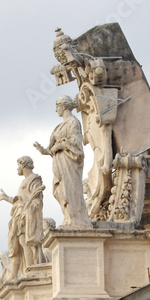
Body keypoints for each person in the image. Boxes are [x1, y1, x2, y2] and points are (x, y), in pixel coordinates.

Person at [34, 96, 91, 228]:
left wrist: (60, 145)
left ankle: (75, 220)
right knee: (60, 190)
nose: (56, 110)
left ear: (63, 106)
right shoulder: (59, 126)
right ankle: (68, 217)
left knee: (70, 188)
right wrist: (44, 150)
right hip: (59, 163)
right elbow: (51, 148)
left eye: (57, 106)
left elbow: (77, 145)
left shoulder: (73, 123)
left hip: (70, 162)